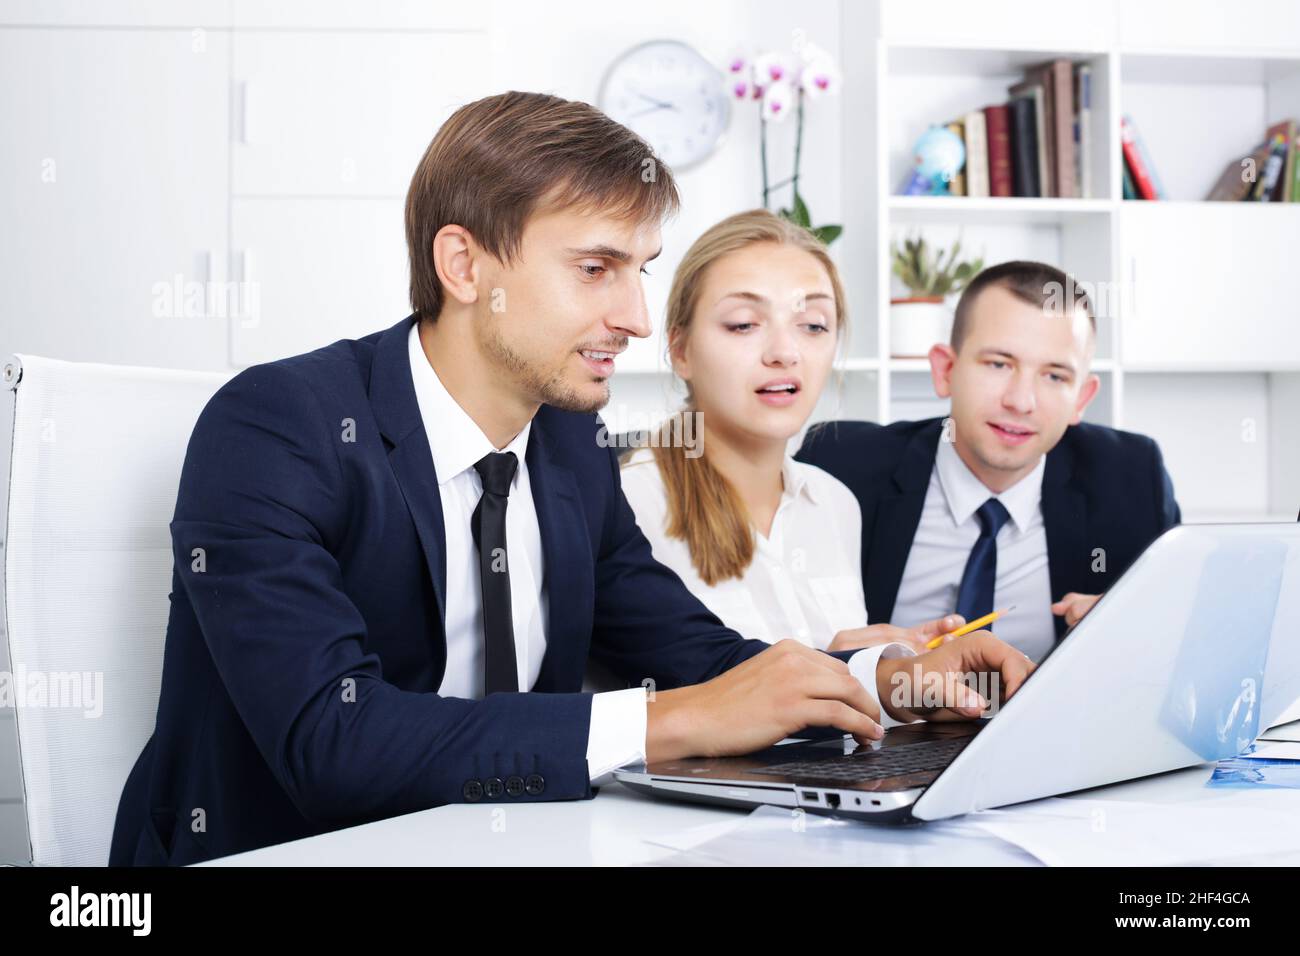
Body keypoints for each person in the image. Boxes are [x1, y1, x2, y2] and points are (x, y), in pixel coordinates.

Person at [110, 92, 1032, 866]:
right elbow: (331, 743)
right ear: (464, 264)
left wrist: (882, 677)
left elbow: (701, 660)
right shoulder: (278, 428)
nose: (634, 317)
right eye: (595, 268)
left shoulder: (568, 450)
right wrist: (661, 725)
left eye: (640, 272)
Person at [798, 260, 1181, 661]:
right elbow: (777, 634)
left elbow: (1188, 638)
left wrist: (1137, 628)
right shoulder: (840, 465)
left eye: (1054, 376)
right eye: (999, 364)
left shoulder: (1134, 479)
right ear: (946, 370)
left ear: (1082, 398)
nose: (1020, 401)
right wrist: (841, 660)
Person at [619, 209, 961, 653]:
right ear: (680, 350)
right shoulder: (631, 505)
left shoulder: (835, 503)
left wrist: (889, 673)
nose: (785, 352)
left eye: (813, 325)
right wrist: (836, 668)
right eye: (744, 323)